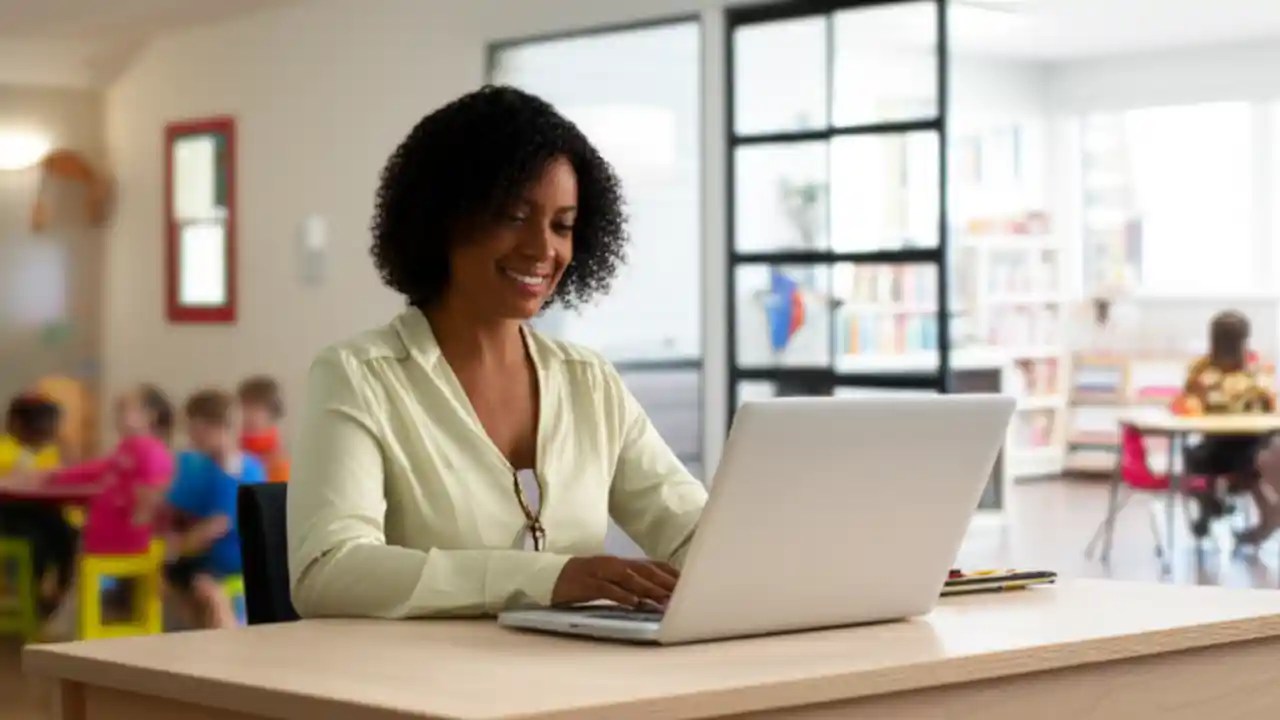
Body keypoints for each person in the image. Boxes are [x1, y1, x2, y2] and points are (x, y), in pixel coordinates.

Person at [288, 85, 707, 619]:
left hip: (573, 685)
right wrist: (550, 578)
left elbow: (691, 528)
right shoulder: (358, 375)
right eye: (513, 216)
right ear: (445, 216)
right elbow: (328, 572)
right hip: (421, 692)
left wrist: (759, 570)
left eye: (563, 226)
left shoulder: (588, 381)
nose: (542, 249)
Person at [0, 385, 174, 638]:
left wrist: (142, 524)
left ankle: (71, 625)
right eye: (119, 409)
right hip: (103, 539)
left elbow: (154, 492)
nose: (118, 415)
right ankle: (70, 620)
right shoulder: (127, 449)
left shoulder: (151, 451)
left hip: (124, 541)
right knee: (70, 551)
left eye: (127, 409)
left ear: (151, 416)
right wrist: (48, 476)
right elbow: (91, 472)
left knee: (69, 548)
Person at [166, 390, 264, 629]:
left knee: (206, 589)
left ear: (213, 428)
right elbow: (177, 506)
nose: (191, 436)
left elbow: (217, 525)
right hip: (212, 557)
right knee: (174, 577)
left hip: (231, 560)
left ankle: (226, 637)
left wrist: (179, 545)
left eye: (194, 429)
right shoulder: (203, 465)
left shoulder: (237, 469)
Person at [1177, 311, 1276, 539]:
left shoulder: (1255, 369)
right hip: (1216, 440)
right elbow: (1189, 399)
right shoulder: (1201, 368)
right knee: (1194, 459)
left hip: (1251, 441)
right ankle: (1209, 505)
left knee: (1247, 463)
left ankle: (1265, 514)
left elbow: (1268, 404)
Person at [0, 394, 76, 612]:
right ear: (17, 425)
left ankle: (59, 589)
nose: (47, 435)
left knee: (68, 535)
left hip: (45, 514)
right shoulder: (5, 449)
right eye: (41, 428)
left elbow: (62, 477)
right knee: (37, 544)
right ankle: (29, 595)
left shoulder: (49, 452)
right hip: (11, 517)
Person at [237, 376, 290, 483]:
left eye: (257, 408)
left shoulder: (278, 460)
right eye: (244, 406)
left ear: (273, 412)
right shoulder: (228, 445)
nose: (248, 414)